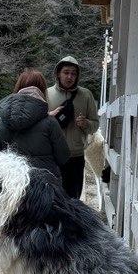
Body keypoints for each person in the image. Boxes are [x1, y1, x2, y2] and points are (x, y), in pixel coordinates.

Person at [0, 68, 70, 274]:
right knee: (46, 235)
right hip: (46, 191)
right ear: (42, 91)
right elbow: (64, 156)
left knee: (16, 233)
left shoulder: (3, 123)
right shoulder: (49, 123)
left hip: (12, 191)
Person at [47, 55, 98, 200]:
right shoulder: (47, 93)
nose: (70, 76)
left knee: (73, 199)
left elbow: (95, 124)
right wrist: (49, 116)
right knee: (53, 199)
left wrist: (86, 124)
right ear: (58, 73)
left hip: (75, 156)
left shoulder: (86, 95)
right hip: (53, 156)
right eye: (66, 72)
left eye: (73, 73)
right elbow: (39, 122)